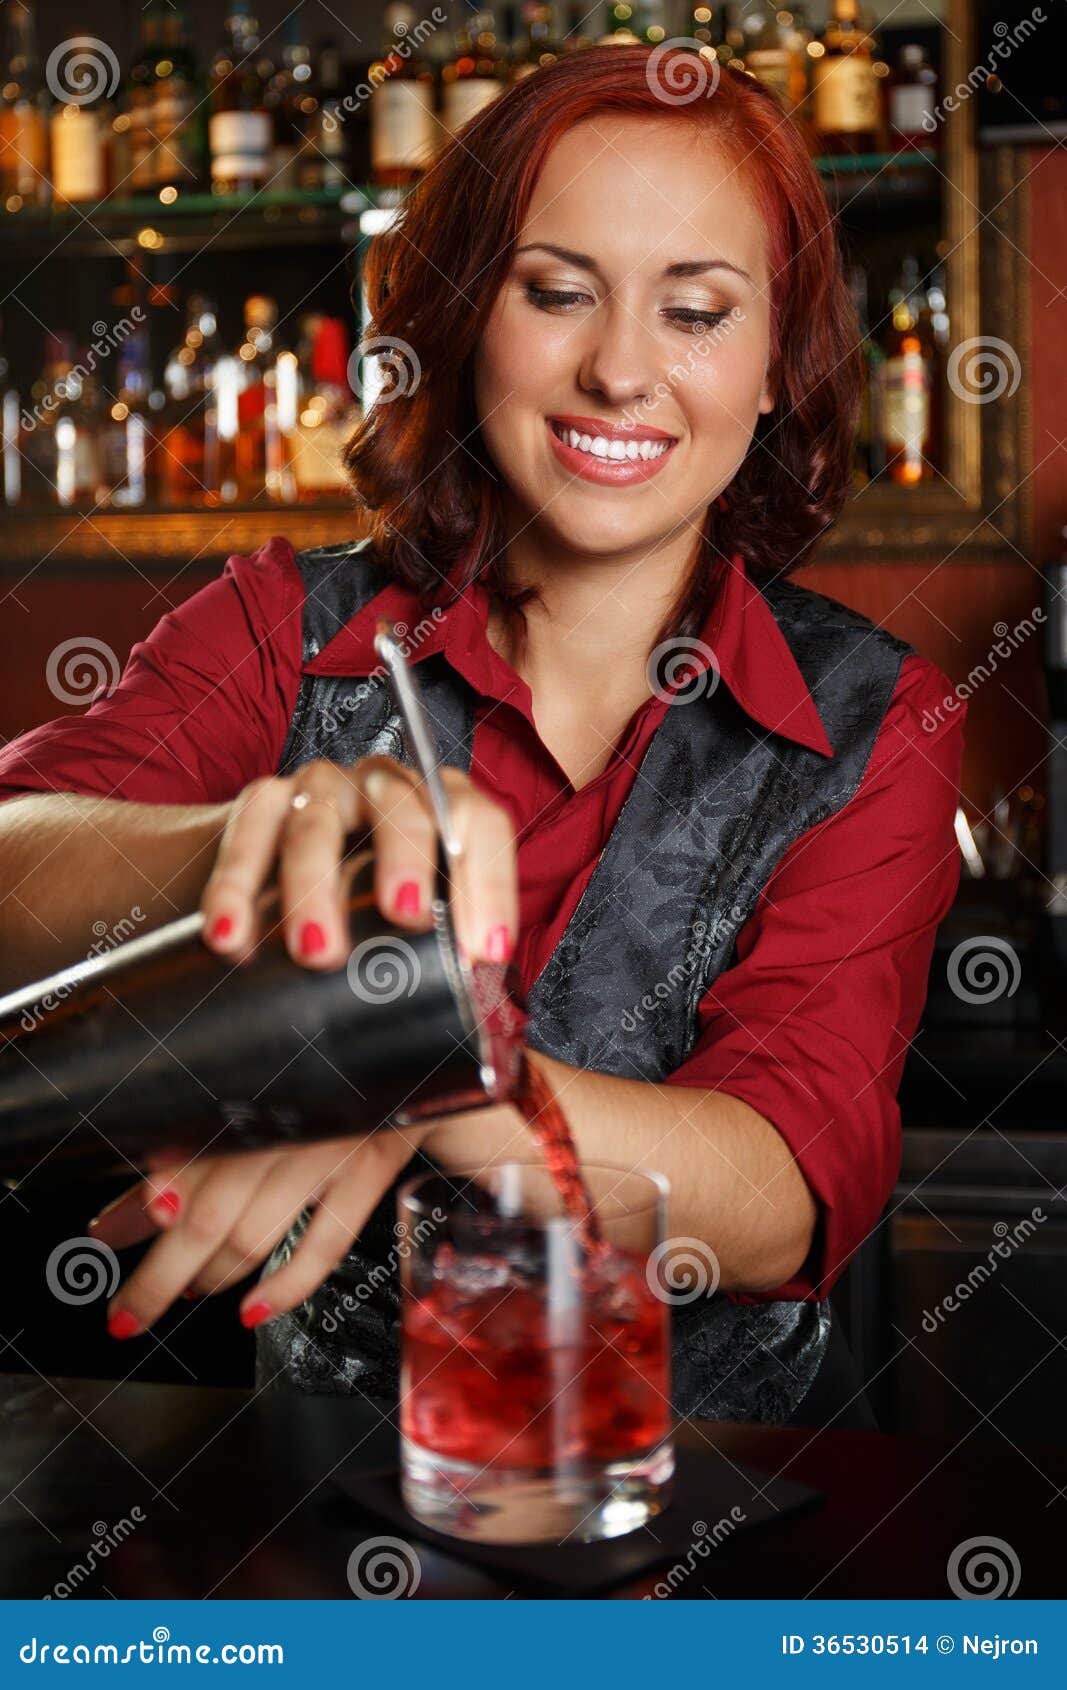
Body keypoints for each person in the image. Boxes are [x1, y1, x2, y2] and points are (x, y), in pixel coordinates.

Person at [0, 47, 964, 1430]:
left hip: (697, 1528)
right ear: (463, 321)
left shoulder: (875, 718)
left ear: (773, 368)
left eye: (696, 310)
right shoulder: (288, 628)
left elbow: (776, 1182)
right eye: (556, 291)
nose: (621, 368)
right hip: (298, 1524)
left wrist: (420, 1063)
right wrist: (245, 850)